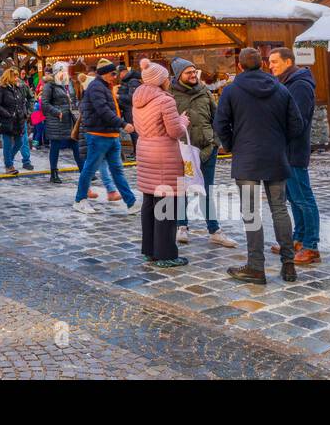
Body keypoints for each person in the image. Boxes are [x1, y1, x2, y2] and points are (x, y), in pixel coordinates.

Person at [214, 47, 304, 284]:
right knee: (280, 209)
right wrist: (280, 142)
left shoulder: (232, 90)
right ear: (263, 64)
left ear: (240, 66)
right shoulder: (280, 88)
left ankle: (256, 266)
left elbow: (220, 123)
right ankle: (288, 264)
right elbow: (297, 124)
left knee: (252, 213)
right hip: (275, 155)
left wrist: (233, 145)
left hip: (247, 158)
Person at [172, 57, 237, 249]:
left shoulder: (204, 92)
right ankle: (181, 226)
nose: (193, 75)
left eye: (194, 71)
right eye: (188, 72)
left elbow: (217, 117)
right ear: (179, 75)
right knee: (181, 189)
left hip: (207, 148)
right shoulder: (170, 95)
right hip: (183, 150)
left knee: (206, 190)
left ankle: (214, 230)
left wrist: (215, 140)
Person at [133, 62, 190, 267]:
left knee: (149, 201)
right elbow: (174, 131)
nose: (169, 80)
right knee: (167, 204)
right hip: (164, 155)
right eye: (166, 77)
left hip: (145, 151)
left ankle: (149, 250)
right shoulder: (165, 100)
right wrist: (183, 121)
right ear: (159, 80)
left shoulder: (138, 98)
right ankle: (166, 254)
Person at [267, 48, 321, 263]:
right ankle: (298, 239)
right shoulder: (286, 82)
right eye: (269, 62)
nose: (270, 65)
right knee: (293, 198)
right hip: (283, 150)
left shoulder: (300, 85)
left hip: (294, 150)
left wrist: (273, 129)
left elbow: (297, 121)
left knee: (303, 198)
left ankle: (311, 245)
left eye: (274, 61)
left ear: (288, 61)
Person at [73, 59, 139, 215]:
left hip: (111, 135)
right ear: (103, 74)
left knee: (117, 170)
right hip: (98, 135)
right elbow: (103, 111)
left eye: (115, 73)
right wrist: (123, 124)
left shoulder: (106, 87)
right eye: (112, 73)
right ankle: (79, 200)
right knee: (89, 169)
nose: (115, 76)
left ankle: (131, 202)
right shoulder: (96, 88)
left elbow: (111, 109)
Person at [41, 63, 77, 184]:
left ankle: (85, 170)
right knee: (55, 147)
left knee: (75, 144)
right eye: (62, 72)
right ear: (56, 72)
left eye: (65, 72)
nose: (64, 74)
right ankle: (54, 173)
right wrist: (57, 112)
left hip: (67, 120)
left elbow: (71, 99)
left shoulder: (66, 84)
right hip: (56, 121)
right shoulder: (49, 85)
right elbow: (45, 104)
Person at [0, 67, 32, 174]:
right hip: (6, 121)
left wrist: (25, 113)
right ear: (8, 77)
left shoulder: (18, 88)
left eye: (17, 76)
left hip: (18, 120)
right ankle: (9, 166)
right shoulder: (1, 89)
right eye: (14, 76)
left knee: (19, 142)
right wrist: (8, 114)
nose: (17, 78)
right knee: (7, 144)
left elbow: (23, 102)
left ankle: (8, 159)